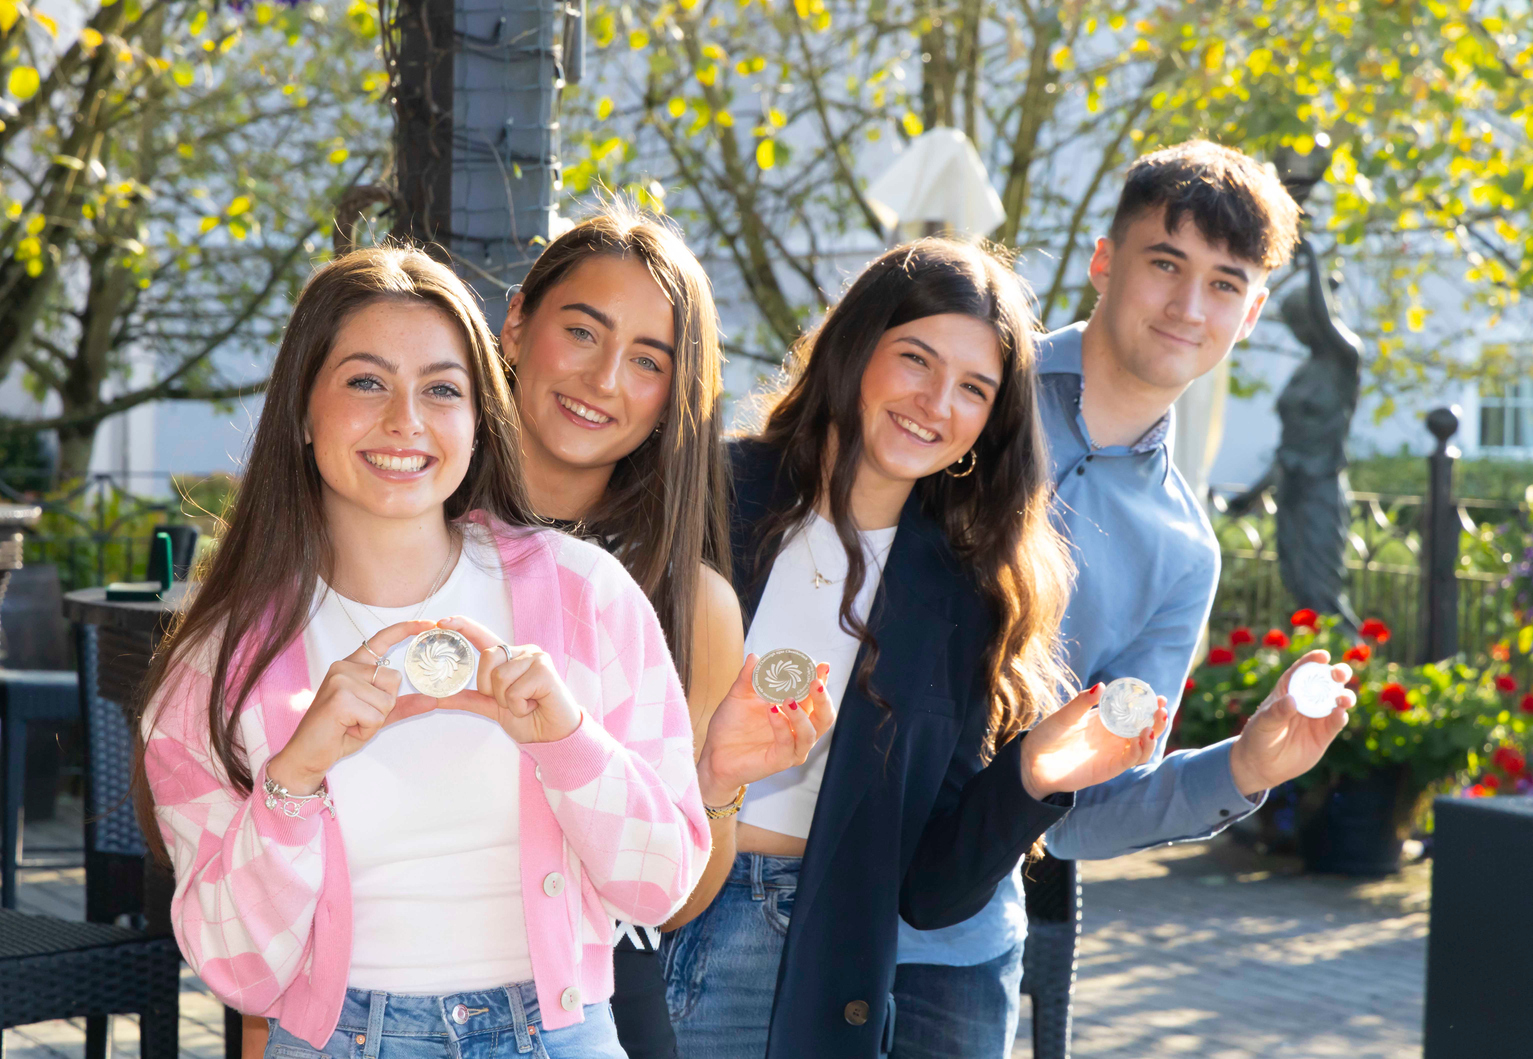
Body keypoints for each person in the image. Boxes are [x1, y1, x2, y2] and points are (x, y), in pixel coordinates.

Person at [134, 245, 711, 1059]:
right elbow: (236, 971)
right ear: (302, 410)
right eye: (366, 381)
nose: (405, 420)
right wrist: (293, 780)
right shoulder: (218, 663)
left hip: (561, 1036)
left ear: (480, 417)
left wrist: (568, 741)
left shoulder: (586, 594)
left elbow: (663, 883)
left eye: (441, 388)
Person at [891, 140, 1359, 1057]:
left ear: (1252, 311)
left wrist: (1245, 768)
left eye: (1224, 284)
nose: (1189, 306)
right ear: (1105, 261)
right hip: (782, 878)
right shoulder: (969, 390)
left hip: (955, 942)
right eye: (1164, 263)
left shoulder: (1184, 555)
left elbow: (1090, 805)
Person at [664, 238, 1172, 1059]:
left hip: (817, 954)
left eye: (972, 388)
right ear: (855, 349)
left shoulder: (968, 595)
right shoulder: (701, 496)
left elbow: (932, 891)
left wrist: (1033, 772)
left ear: (985, 425)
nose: (936, 402)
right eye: (915, 360)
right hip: (648, 911)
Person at [499, 204, 836, 1058]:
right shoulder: (403, 538)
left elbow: (674, 900)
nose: (604, 378)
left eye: (647, 360)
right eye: (581, 330)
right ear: (514, 326)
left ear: (670, 398)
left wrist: (718, 773)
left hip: (598, 1011)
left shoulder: (693, 604)